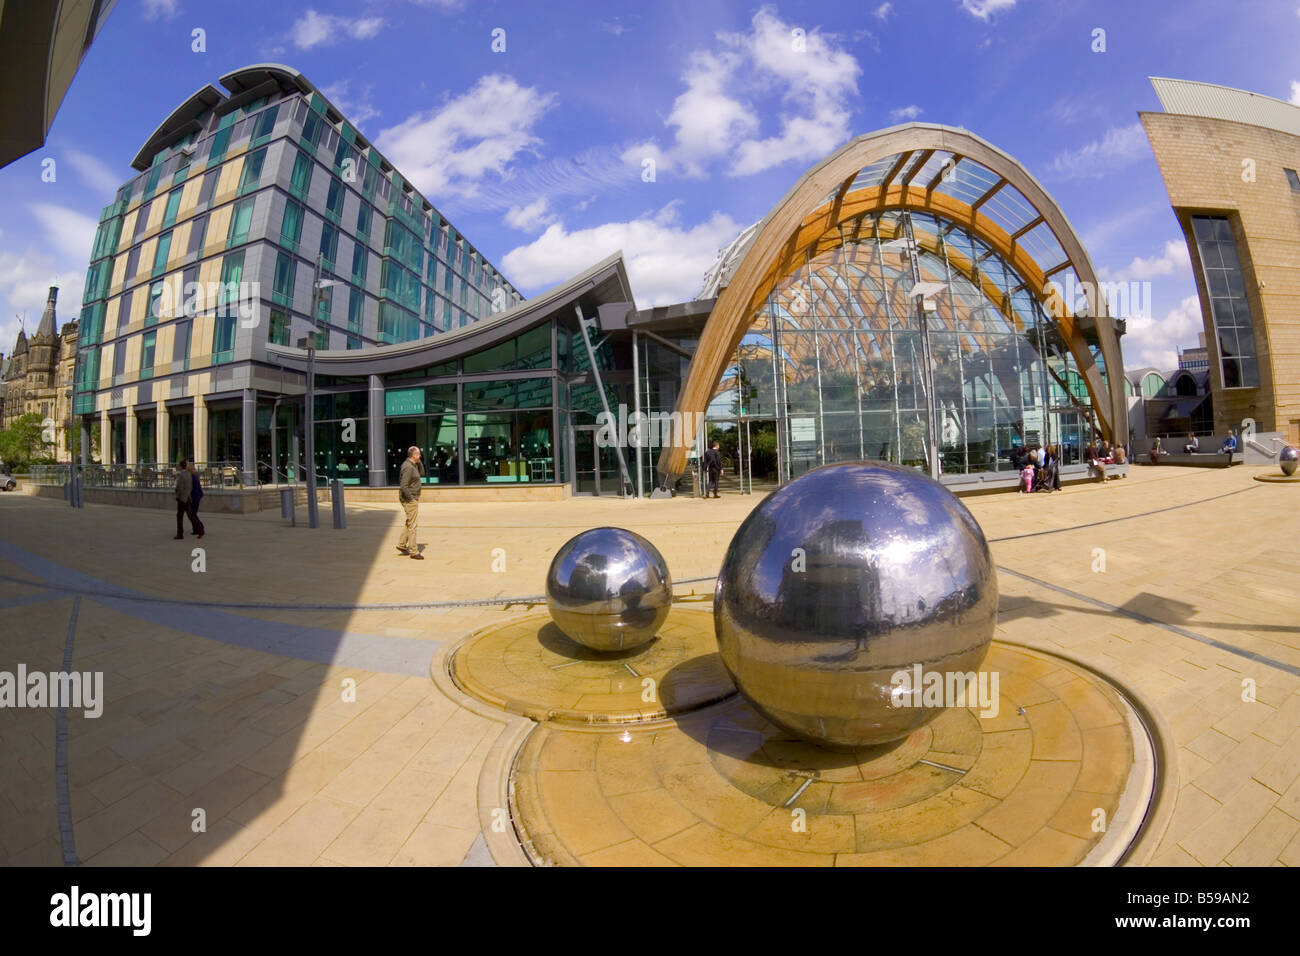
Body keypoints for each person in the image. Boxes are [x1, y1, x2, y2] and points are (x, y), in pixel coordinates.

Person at [397, 445, 424, 559]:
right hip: (409, 499)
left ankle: (402, 544)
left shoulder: (414, 465)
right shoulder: (408, 467)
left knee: (409, 521)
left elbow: (422, 473)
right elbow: (403, 485)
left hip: (412, 497)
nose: (420, 455)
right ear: (414, 455)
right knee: (413, 525)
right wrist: (411, 498)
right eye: (419, 454)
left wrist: (419, 462)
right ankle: (414, 551)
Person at [174, 458, 195, 539]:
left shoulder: (181, 475)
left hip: (182, 498)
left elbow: (179, 487)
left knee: (179, 516)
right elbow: (190, 486)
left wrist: (178, 495)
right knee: (190, 515)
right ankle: (200, 529)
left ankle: (180, 534)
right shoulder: (189, 474)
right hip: (187, 497)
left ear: (180, 466)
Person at [186, 461, 206, 539]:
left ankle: (200, 528)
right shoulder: (195, 476)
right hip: (197, 497)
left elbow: (190, 489)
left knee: (193, 514)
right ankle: (195, 530)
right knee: (192, 514)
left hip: (194, 498)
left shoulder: (192, 477)